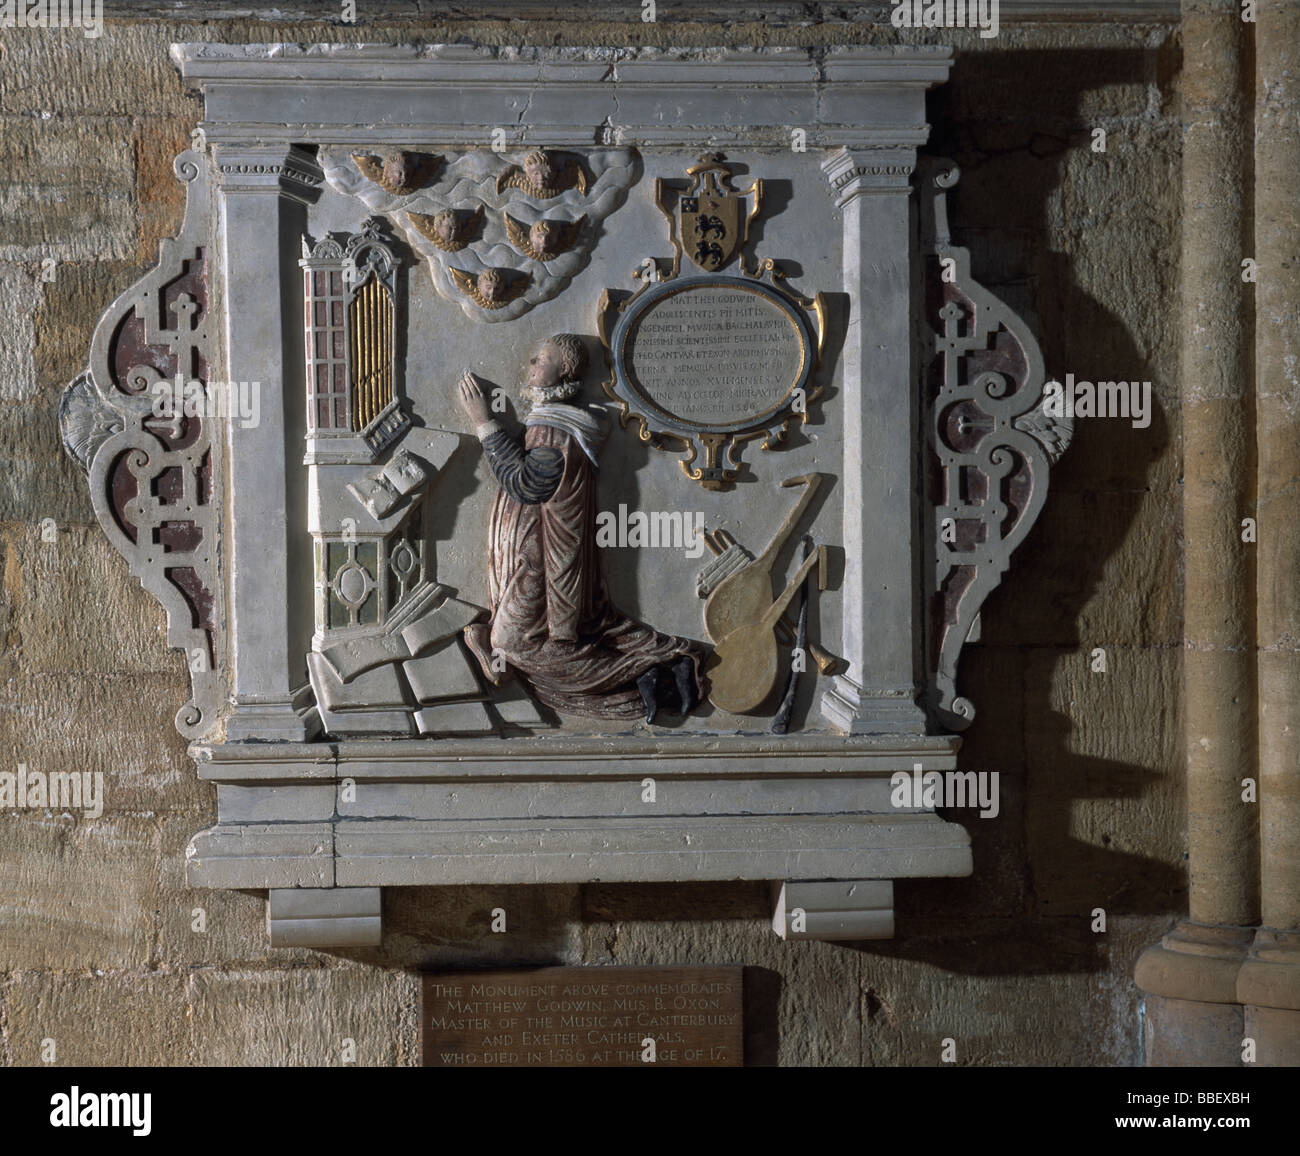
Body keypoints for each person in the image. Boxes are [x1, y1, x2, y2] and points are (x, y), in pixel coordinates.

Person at [457, 333, 704, 723]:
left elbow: (527, 484)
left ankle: (646, 673)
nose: (532, 364)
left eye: (543, 359)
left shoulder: (557, 429)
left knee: (515, 644)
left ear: (565, 371)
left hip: (542, 563)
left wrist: (484, 423)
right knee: (520, 639)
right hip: (533, 556)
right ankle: (655, 671)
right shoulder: (552, 421)